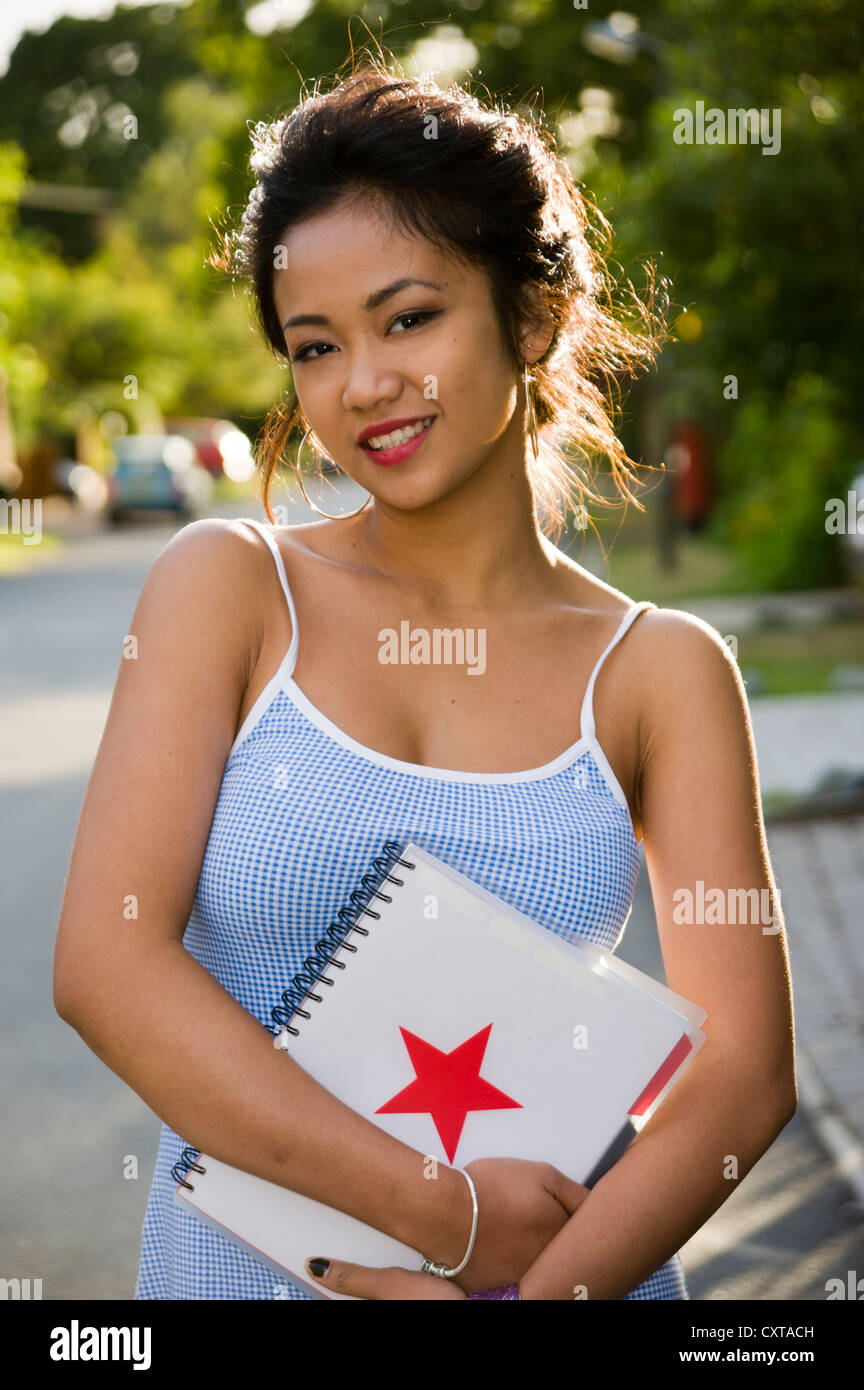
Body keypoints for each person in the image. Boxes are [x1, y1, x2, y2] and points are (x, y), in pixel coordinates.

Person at [53, 57, 796, 1301]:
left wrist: (519, 1299)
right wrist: (441, 1218)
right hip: (242, 1275)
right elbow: (106, 967)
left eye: (409, 318)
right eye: (315, 345)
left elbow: (747, 1077)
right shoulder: (230, 591)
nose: (363, 386)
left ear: (535, 312)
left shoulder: (662, 671)